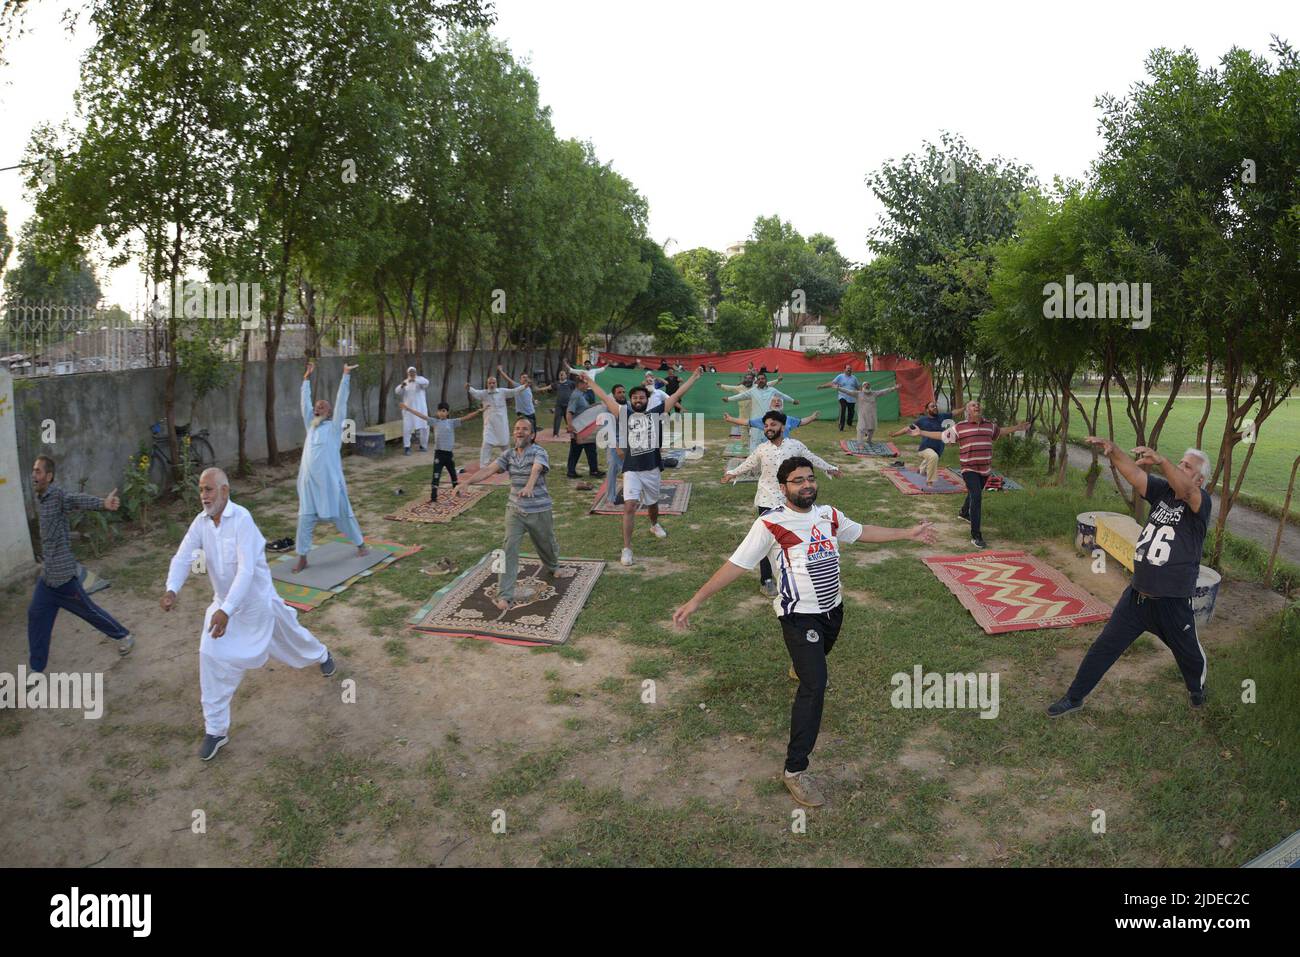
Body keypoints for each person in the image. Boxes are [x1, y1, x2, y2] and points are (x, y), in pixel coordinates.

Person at [674, 456, 936, 807]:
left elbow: (862, 532)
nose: (807, 485)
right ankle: (795, 770)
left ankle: (802, 664)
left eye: (810, 478)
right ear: (783, 489)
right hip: (799, 617)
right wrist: (696, 600)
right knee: (815, 685)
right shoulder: (771, 523)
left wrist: (908, 532)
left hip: (834, 611)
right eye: (797, 481)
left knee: (814, 663)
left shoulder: (828, 515)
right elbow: (737, 564)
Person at [162, 468, 337, 761]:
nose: (203, 496)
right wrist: (172, 589)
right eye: (201, 490)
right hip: (224, 609)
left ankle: (321, 654)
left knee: (293, 637)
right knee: (209, 655)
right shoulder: (201, 523)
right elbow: (184, 556)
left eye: (209, 490)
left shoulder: (242, 519)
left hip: (258, 604)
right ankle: (216, 730)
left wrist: (228, 610)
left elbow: (246, 570)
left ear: (225, 491)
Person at [1049, 442, 1214, 717]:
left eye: (1187, 466)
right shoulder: (1164, 492)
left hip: (1172, 604)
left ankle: (1196, 691)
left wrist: (1162, 460)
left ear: (1200, 479)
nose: (1180, 467)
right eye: (1180, 462)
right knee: (1104, 647)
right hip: (1137, 597)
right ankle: (1074, 697)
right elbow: (1136, 477)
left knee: (1190, 657)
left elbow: (1186, 490)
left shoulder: (1200, 502)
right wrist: (1113, 451)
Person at [27, 455, 132, 674]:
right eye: (34, 471)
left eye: (38, 471)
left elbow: (76, 500)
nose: (34, 475)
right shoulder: (43, 498)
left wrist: (102, 503)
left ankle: (124, 635)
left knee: (90, 612)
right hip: (47, 579)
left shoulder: (56, 496)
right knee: (36, 616)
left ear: (49, 476)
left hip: (64, 579)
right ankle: (37, 669)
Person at [590, 366, 703, 566]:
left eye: (642, 397)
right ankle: (627, 549)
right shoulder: (624, 413)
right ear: (631, 401)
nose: (638, 400)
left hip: (652, 468)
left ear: (647, 399)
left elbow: (677, 393)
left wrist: (693, 377)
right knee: (630, 506)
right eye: (635, 398)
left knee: (652, 504)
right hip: (632, 469)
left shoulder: (657, 412)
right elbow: (607, 399)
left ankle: (654, 524)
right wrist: (590, 382)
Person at [456, 417, 571, 610]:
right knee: (508, 549)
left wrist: (529, 486)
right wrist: (467, 482)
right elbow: (489, 470)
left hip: (539, 509)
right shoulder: (508, 455)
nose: (519, 432)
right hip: (515, 510)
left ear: (532, 435)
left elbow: (537, 469)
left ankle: (553, 566)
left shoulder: (539, 452)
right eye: (517, 429)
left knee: (546, 543)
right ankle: (505, 594)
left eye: (524, 429)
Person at [722, 411, 841, 597]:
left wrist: (830, 468)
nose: (769, 428)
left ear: (783, 427)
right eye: (766, 426)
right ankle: (767, 580)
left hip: (789, 502)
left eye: (773, 425)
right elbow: (749, 463)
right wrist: (732, 473)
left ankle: (793, 576)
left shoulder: (795, 446)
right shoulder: (762, 449)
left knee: (790, 540)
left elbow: (812, 458)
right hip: (766, 500)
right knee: (765, 543)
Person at [909, 399, 1029, 549]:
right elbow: (942, 435)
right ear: (968, 411)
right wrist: (921, 432)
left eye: (978, 404)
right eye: (973, 405)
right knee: (977, 496)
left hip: (985, 469)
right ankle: (976, 535)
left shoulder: (989, 426)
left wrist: (1018, 427)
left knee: (975, 492)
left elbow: (1001, 431)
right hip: (969, 468)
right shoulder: (960, 427)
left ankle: (964, 512)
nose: (977, 405)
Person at [295, 361, 368, 573]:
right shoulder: (311, 426)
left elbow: (342, 401)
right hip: (309, 484)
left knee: (344, 515)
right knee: (304, 519)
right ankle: (302, 557)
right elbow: (304, 404)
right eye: (317, 406)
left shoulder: (335, 428)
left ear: (329, 412)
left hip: (329, 484)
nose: (318, 408)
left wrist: (345, 376)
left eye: (323, 406)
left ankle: (361, 545)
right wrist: (306, 380)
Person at [398, 401, 483, 501]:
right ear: (437, 412)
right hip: (439, 454)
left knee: (453, 474)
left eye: (444, 411)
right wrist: (408, 409)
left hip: (449, 454)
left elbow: (466, 418)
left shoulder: (452, 422)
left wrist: (478, 411)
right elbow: (421, 415)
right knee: (436, 475)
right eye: (440, 411)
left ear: (447, 412)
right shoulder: (434, 422)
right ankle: (433, 497)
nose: (441, 413)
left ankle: (456, 492)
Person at [723, 372, 798, 452]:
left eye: (762, 379)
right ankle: (754, 459)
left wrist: (793, 401)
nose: (761, 380)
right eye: (759, 379)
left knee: (769, 441)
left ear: (766, 380)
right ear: (756, 381)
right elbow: (740, 396)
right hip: (756, 421)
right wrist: (728, 399)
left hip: (769, 421)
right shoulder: (753, 391)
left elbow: (782, 395)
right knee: (755, 441)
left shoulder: (772, 390)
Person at [467, 374, 529, 468]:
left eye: (493, 383)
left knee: (504, 443)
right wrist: (469, 388)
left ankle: (509, 462)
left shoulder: (502, 391)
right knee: (486, 443)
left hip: (502, 423)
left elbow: (514, 391)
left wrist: (524, 386)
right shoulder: (484, 393)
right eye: (490, 383)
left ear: (496, 383)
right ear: (487, 384)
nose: (492, 385)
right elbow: (475, 392)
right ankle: (484, 465)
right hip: (489, 424)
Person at [888, 398, 946, 485]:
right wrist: (895, 434)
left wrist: (964, 408)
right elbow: (907, 429)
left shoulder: (942, 417)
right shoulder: (922, 420)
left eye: (935, 406)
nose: (935, 407)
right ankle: (930, 482)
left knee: (933, 458)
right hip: (925, 447)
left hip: (939, 447)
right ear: (927, 410)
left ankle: (921, 469)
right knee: (933, 457)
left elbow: (955, 413)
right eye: (932, 406)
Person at [564, 372, 606, 479]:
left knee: (590, 449)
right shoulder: (576, 395)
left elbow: (584, 409)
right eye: (586, 384)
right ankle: (572, 471)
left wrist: (596, 405)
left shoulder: (581, 395)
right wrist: (569, 426)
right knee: (576, 450)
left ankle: (593, 470)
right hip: (578, 428)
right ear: (580, 384)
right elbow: (569, 412)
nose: (587, 386)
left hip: (584, 427)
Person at [724, 396, 820, 437]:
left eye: (779, 401)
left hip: (786, 448)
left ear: (782, 405)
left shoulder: (788, 419)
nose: (777, 402)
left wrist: (812, 417)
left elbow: (801, 422)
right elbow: (747, 422)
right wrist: (730, 419)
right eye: (774, 401)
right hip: (770, 448)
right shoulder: (765, 419)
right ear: (770, 405)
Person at [497, 365, 552, 434]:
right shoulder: (518, 386)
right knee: (526, 430)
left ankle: (532, 440)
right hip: (522, 413)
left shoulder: (528, 387)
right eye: (523, 377)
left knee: (533, 431)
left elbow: (530, 395)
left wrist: (534, 401)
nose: (525, 378)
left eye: (526, 377)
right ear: (520, 379)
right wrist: (501, 371)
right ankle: (522, 441)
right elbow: (508, 379)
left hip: (531, 411)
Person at [393, 366, 431, 455]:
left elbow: (427, 383)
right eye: (410, 372)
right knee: (407, 428)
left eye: (413, 371)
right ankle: (407, 447)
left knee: (424, 427)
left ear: (416, 372)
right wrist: (402, 385)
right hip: (408, 410)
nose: (412, 373)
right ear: (408, 373)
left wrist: (415, 380)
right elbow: (397, 391)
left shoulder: (420, 380)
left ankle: (423, 445)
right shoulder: (405, 382)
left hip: (421, 410)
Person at [818, 365, 861, 431]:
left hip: (852, 398)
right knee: (843, 410)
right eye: (848, 369)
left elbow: (858, 387)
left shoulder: (854, 378)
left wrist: (862, 394)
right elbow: (832, 383)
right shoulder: (840, 376)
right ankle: (841, 426)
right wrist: (822, 386)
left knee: (851, 412)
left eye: (850, 369)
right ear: (844, 369)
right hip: (842, 396)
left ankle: (849, 423)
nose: (849, 370)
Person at [551, 369, 576, 438]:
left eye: (563, 374)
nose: (561, 375)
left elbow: (577, 388)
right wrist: (539, 389)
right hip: (559, 405)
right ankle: (555, 433)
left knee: (568, 419)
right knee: (557, 418)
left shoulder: (571, 383)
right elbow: (549, 387)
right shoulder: (556, 384)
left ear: (566, 375)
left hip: (568, 405)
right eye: (560, 374)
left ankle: (571, 430)